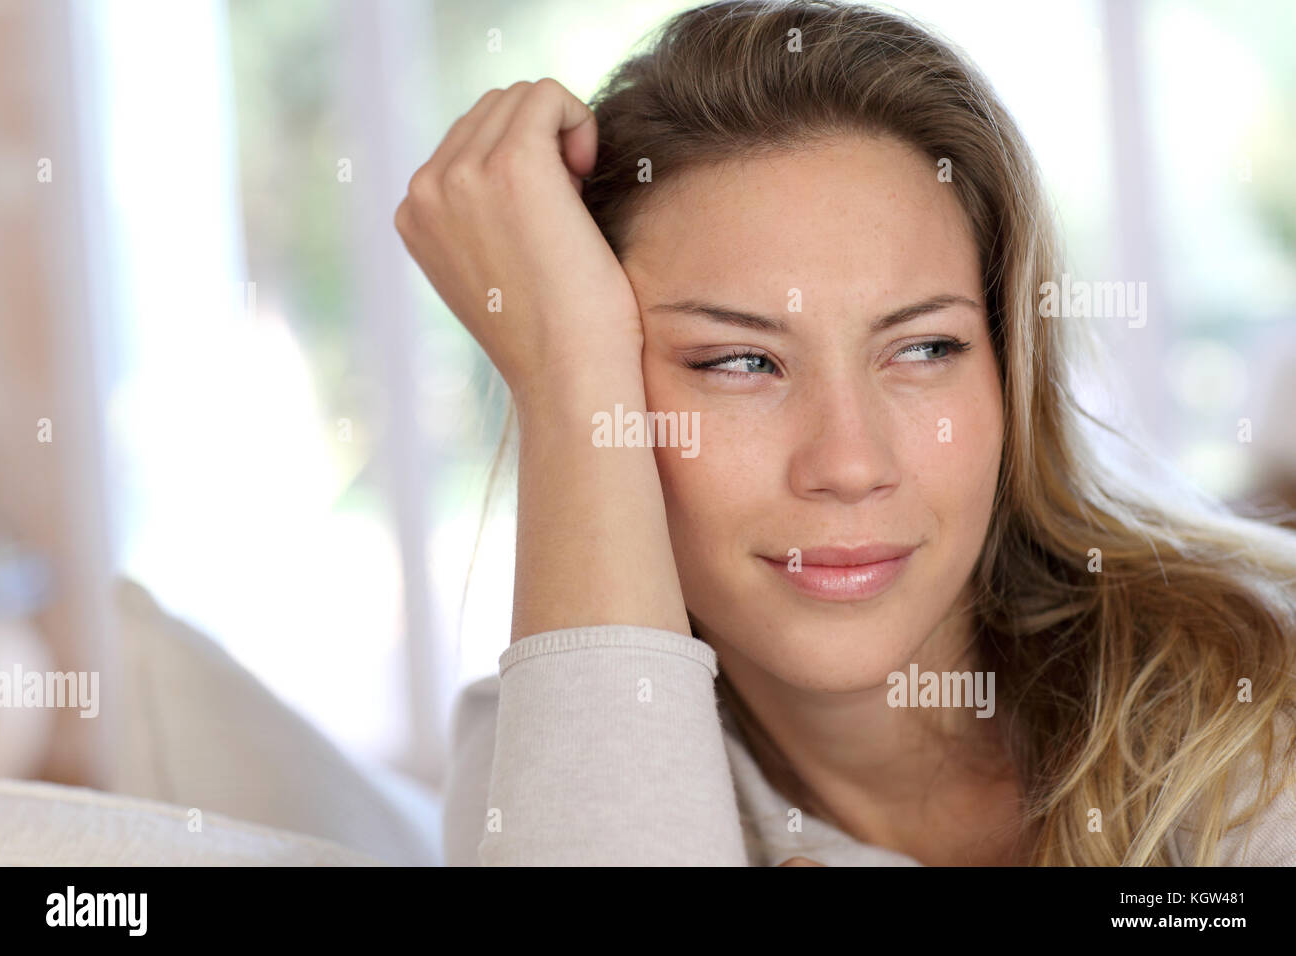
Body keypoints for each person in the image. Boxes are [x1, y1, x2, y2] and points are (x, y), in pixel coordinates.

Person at [395, 0, 1296, 866]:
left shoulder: (1261, 691)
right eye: (739, 363)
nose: (850, 464)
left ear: (1008, 373)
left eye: (925, 347)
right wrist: (562, 372)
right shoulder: (551, 741)